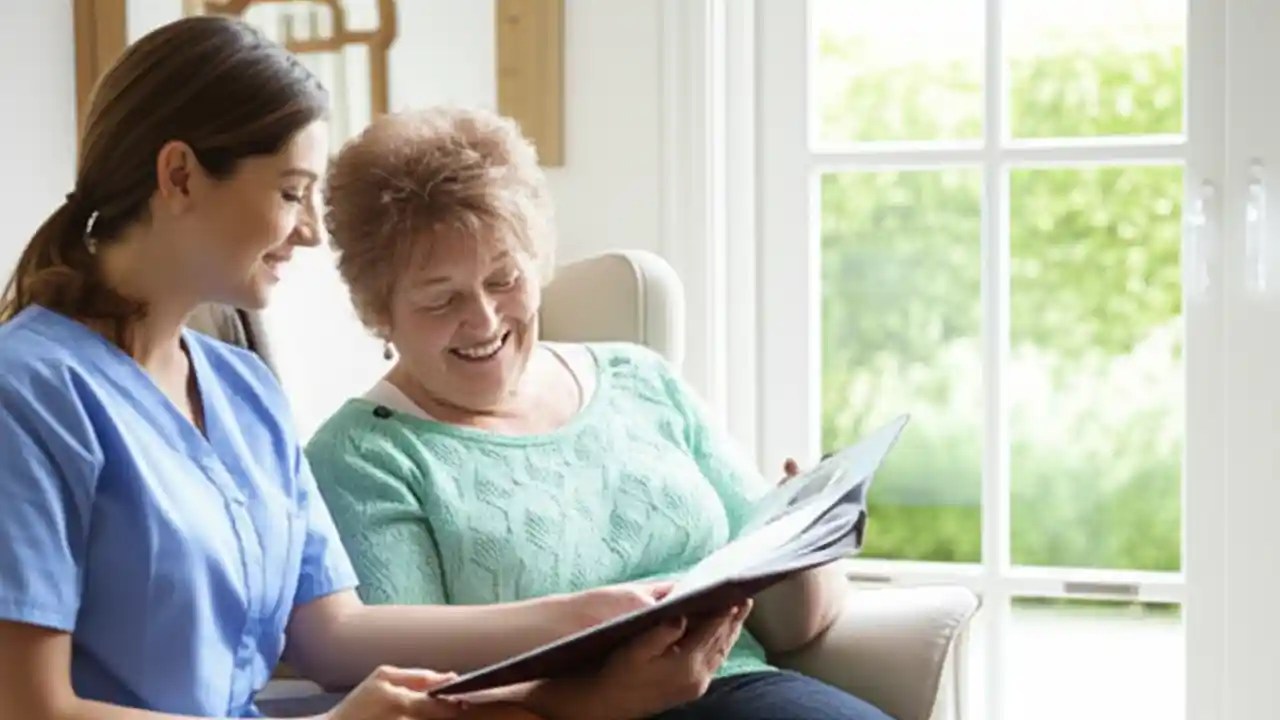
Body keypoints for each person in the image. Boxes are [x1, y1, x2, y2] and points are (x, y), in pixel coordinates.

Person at [0, 16, 748, 720]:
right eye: (291, 193)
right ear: (181, 176)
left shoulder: (242, 389)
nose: (310, 232)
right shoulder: (28, 393)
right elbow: (29, 707)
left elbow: (331, 633)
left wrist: (586, 617)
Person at [305, 107, 892, 720]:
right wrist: (600, 699)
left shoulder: (640, 379)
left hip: (737, 691)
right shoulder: (361, 458)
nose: (483, 319)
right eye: (441, 299)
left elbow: (796, 624)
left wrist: (806, 534)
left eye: (503, 280)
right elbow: (415, 703)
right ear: (380, 311)